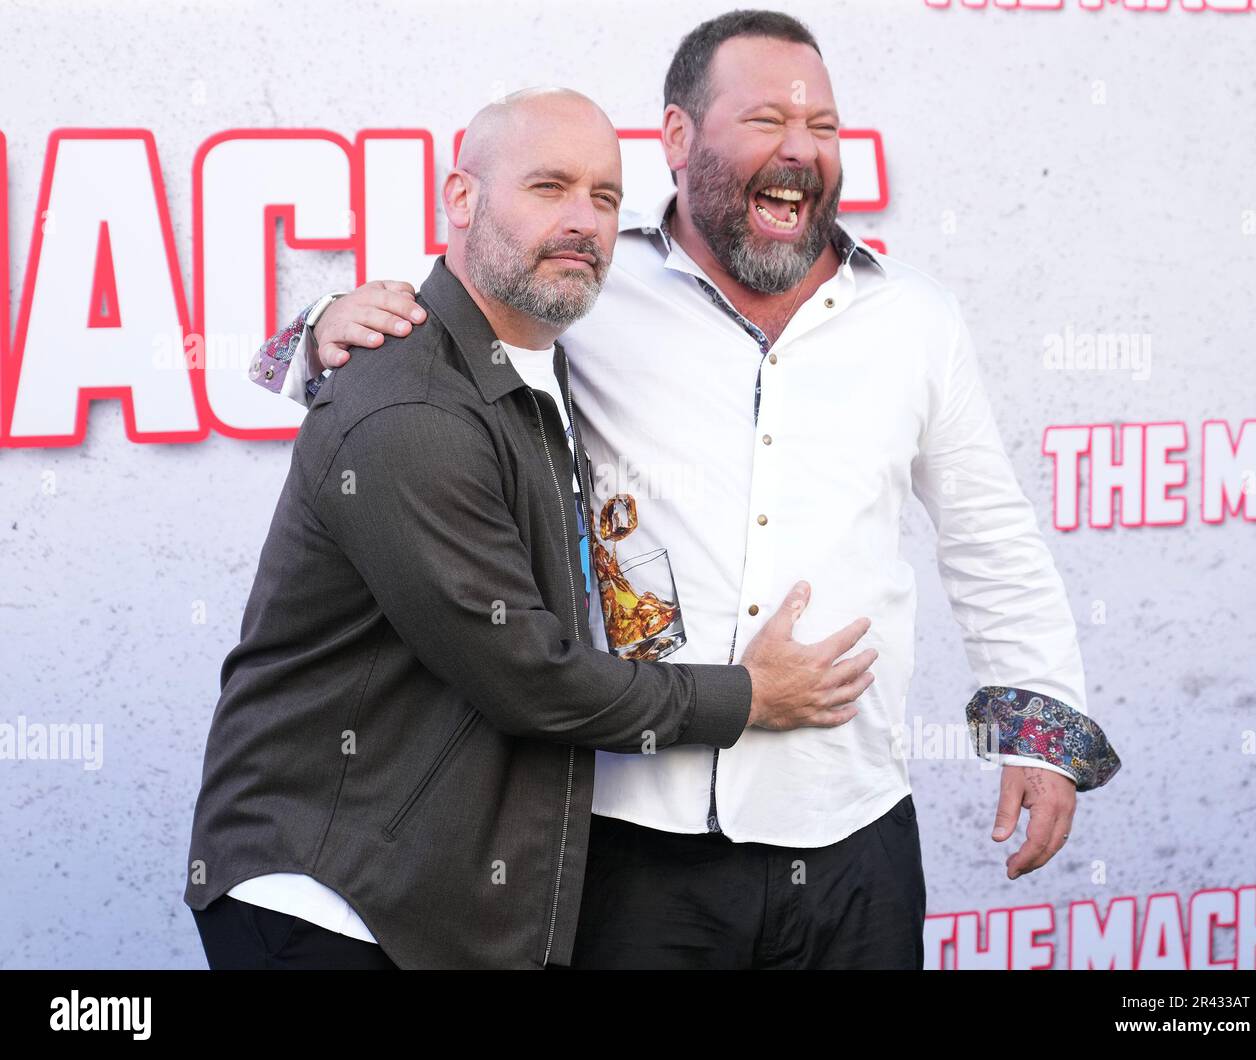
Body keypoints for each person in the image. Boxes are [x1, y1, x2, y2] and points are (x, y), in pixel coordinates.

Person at [253, 11, 1121, 969]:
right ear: (677, 139)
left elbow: (987, 532)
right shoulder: (585, 282)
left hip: (852, 829)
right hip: (630, 838)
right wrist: (321, 325)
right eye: (765, 123)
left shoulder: (916, 319)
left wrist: (1038, 729)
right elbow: (434, 348)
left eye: (822, 129)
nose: (800, 152)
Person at [187, 85, 878, 970]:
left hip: (428, 890)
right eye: (549, 187)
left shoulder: (543, 357)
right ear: (461, 198)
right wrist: (747, 697)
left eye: (604, 197)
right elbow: (529, 679)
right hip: (330, 902)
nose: (584, 221)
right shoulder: (411, 405)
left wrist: (310, 325)